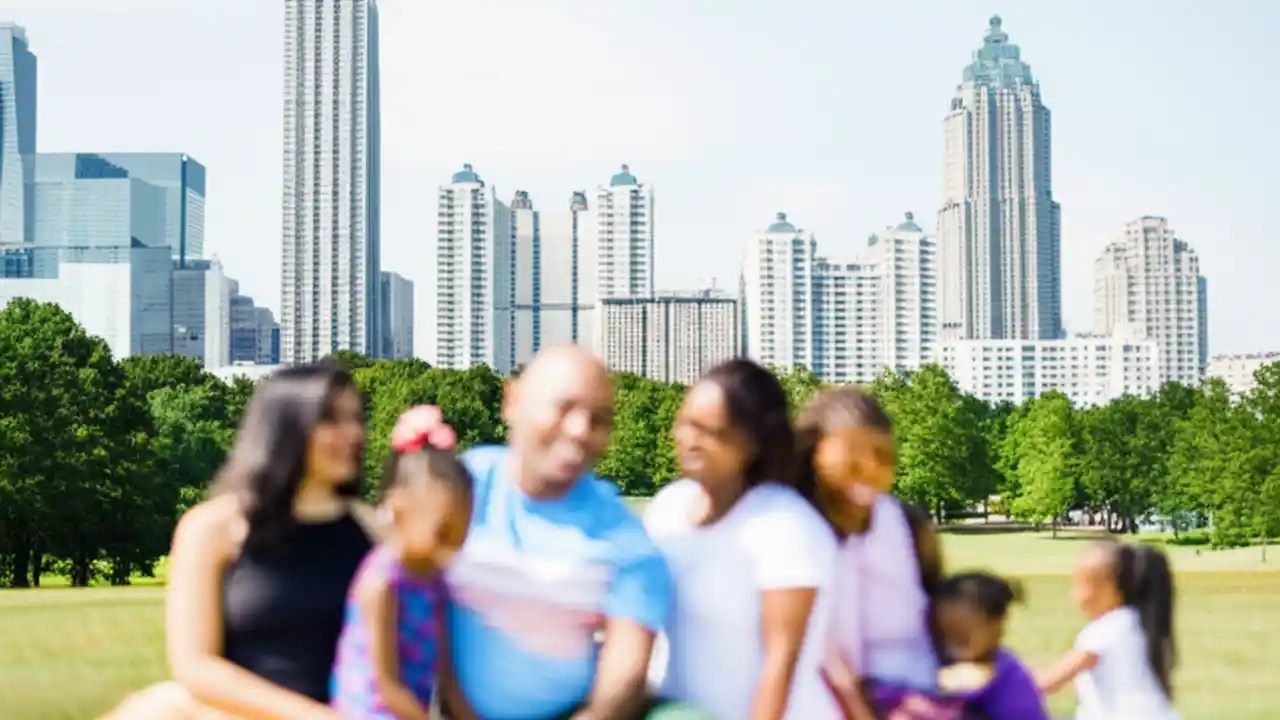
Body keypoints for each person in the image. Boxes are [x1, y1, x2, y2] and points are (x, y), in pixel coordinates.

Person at [443, 345, 697, 720]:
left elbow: (623, 675)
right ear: (512, 402)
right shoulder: (457, 491)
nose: (581, 431)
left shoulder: (625, 540)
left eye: (599, 419)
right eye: (564, 408)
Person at [158, 363, 378, 718]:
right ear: (287, 429)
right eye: (332, 420)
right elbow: (194, 666)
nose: (353, 433)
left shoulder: (374, 532)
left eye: (355, 418)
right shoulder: (211, 529)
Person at [644, 359, 840, 719]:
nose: (688, 440)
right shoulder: (666, 509)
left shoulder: (786, 527)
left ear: (750, 442)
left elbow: (780, 663)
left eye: (708, 431)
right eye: (686, 423)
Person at [793, 387, 944, 720]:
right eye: (853, 455)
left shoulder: (907, 525)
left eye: (883, 455)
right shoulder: (790, 528)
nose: (871, 468)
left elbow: (941, 617)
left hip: (914, 697)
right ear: (814, 451)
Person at [331, 406, 476, 719]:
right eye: (442, 534)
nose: (451, 550)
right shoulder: (383, 582)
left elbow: (447, 675)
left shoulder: (437, 580)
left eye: (460, 537)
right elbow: (387, 685)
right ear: (399, 508)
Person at [1038, 540, 1179, 720]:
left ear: (1110, 587)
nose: (1073, 594)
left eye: (1080, 583)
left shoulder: (1103, 631)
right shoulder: (1138, 624)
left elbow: (1049, 683)